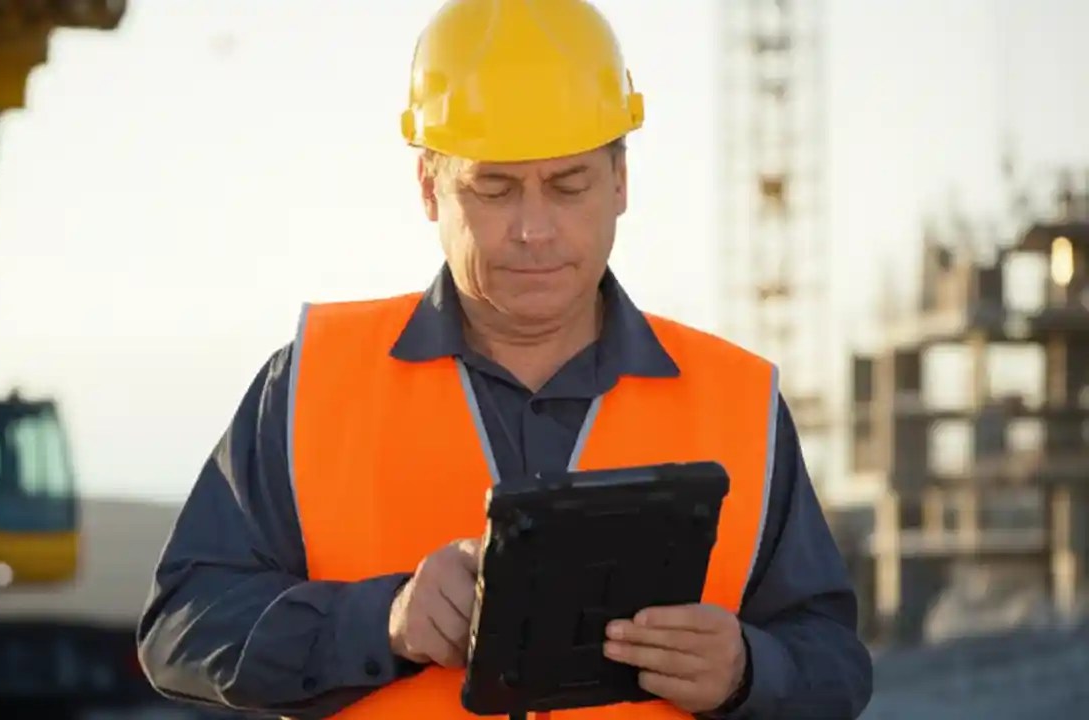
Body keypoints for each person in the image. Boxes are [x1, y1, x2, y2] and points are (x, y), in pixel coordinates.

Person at [136, 0, 873, 718]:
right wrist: (380, 622)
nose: (533, 229)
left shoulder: (737, 403)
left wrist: (747, 671)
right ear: (430, 187)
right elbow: (181, 628)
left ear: (621, 181)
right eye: (493, 187)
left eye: (569, 184)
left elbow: (835, 664)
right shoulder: (310, 387)